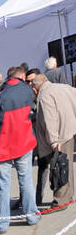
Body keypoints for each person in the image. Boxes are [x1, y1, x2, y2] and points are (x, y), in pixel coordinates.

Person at [0, 65, 41, 234]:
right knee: (26, 180)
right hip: (24, 144)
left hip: (3, 148)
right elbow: (33, 112)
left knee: (3, 186)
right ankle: (31, 216)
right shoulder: (28, 92)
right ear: (20, 77)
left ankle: (2, 224)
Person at [30, 73, 76, 209]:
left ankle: (60, 202)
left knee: (59, 168)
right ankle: (68, 196)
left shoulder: (44, 96)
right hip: (69, 131)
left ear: (35, 88)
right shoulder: (64, 87)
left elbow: (49, 120)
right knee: (67, 167)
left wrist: (54, 142)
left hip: (58, 137)